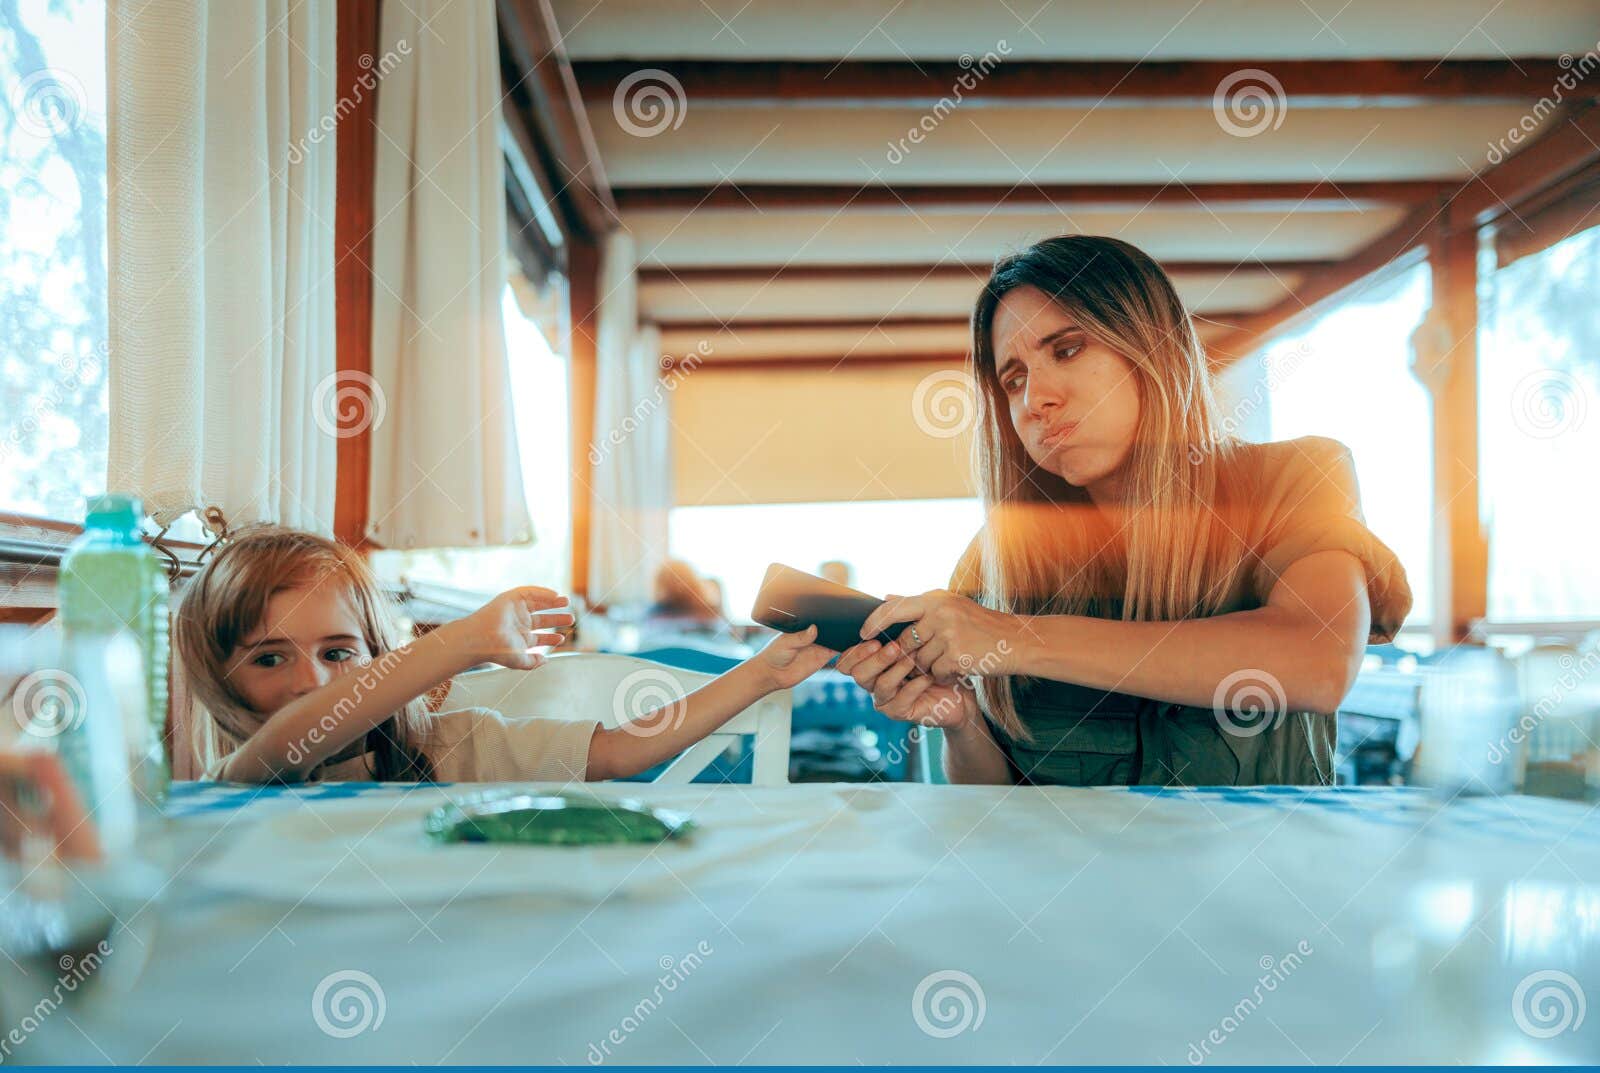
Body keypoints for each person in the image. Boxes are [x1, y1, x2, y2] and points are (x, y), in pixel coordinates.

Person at [836, 235, 1412, 787]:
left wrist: (1016, 636)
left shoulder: (1296, 478)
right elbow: (993, 809)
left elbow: (1317, 661)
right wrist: (960, 721)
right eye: (1014, 380)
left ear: (1151, 345)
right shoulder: (996, 560)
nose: (1036, 399)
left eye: (1067, 349)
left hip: (1261, 885)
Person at [173, 527, 832, 784]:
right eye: (268, 659)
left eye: (338, 652)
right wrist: (462, 641)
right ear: (217, 680)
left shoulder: (450, 747)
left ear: (376, 654)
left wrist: (761, 675)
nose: (310, 682)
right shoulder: (238, 781)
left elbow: (622, 750)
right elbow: (298, 739)